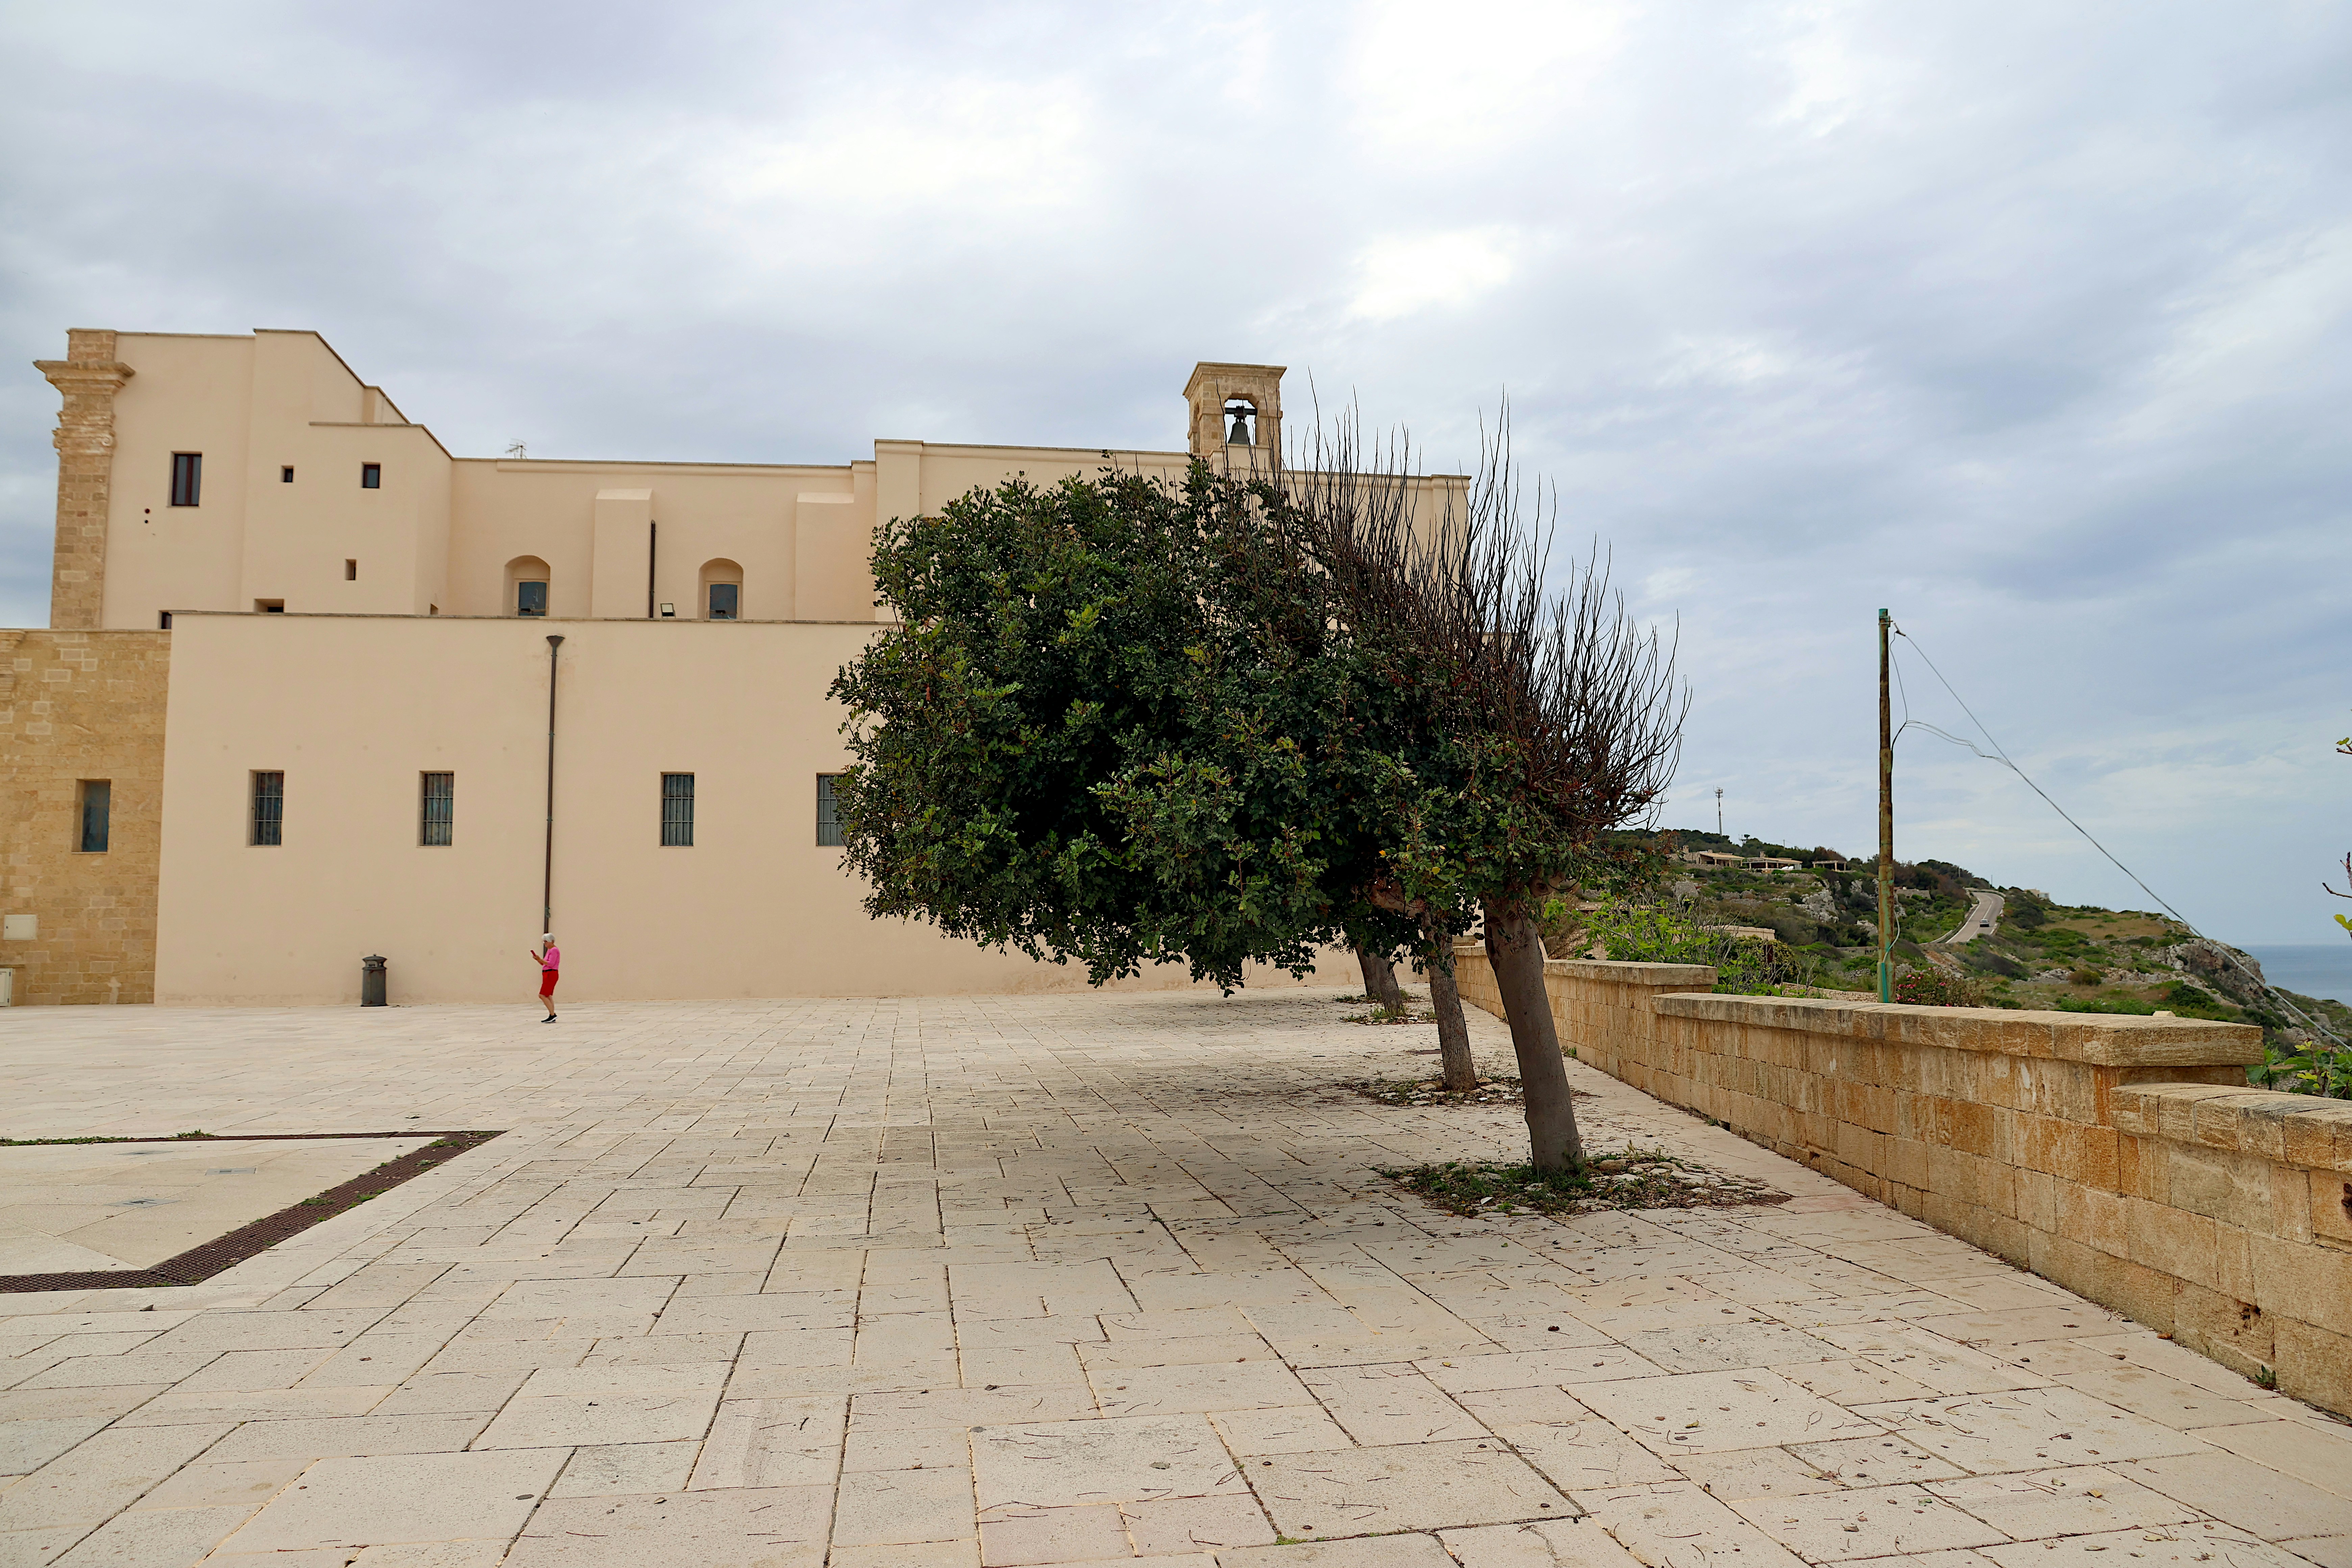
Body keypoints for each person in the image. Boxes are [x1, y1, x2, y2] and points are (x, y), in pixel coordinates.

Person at [529, 934, 560, 1021]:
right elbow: (544, 964)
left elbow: (550, 964)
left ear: (552, 941)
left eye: (546, 942)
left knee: (542, 995)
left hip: (551, 974)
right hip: (548, 973)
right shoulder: (550, 950)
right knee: (548, 995)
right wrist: (538, 959)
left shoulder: (554, 950)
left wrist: (541, 960)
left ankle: (553, 1015)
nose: (545, 944)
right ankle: (552, 1014)